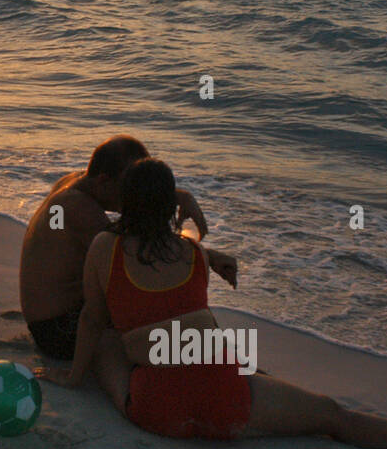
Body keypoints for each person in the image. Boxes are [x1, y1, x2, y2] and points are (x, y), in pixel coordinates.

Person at [42, 158, 387, 449]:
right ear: (170, 203)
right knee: (332, 415)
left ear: (125, 199)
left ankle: (103, 377)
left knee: (108, 338)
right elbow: (188, 241)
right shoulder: (192, 256)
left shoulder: (104, 248)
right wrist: (184, 205)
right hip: (228, 407)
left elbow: (92, 320)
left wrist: (74, 377)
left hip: (158, 412)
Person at [20, 135, 235, 361]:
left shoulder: (75, 183)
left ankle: (215, 358)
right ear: (103, 181)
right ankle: (217, 362)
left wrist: (178, 195)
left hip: (58, 317)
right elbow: (141, 251)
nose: (137, 196)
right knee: (160, 310)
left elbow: (138, 219)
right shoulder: (75, 207)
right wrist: (208, 257)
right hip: (57, 331)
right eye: (131, 188)